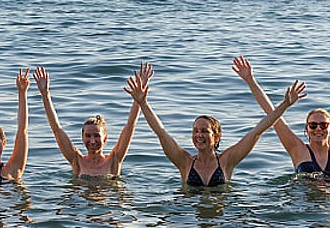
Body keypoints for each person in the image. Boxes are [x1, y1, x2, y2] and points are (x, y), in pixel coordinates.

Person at [124, 62, 305, 187]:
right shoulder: (184, 162)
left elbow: (258, 131)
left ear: (216, 136)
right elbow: (161, 132)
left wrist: (284, 105)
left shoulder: (227, 160)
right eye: (195, 131)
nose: (198, 135)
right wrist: (143, 103)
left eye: (204, 131)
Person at [32, 64, 148, 179]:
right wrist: (45, 94)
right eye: (88, 136)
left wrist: (139, 100)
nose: (92, 141)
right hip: (80, 197)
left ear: (105, 138)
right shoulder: (76, 160)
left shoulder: (114, 160)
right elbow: (56, 129)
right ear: (82, 137)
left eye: (96, 136)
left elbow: (130, 126)